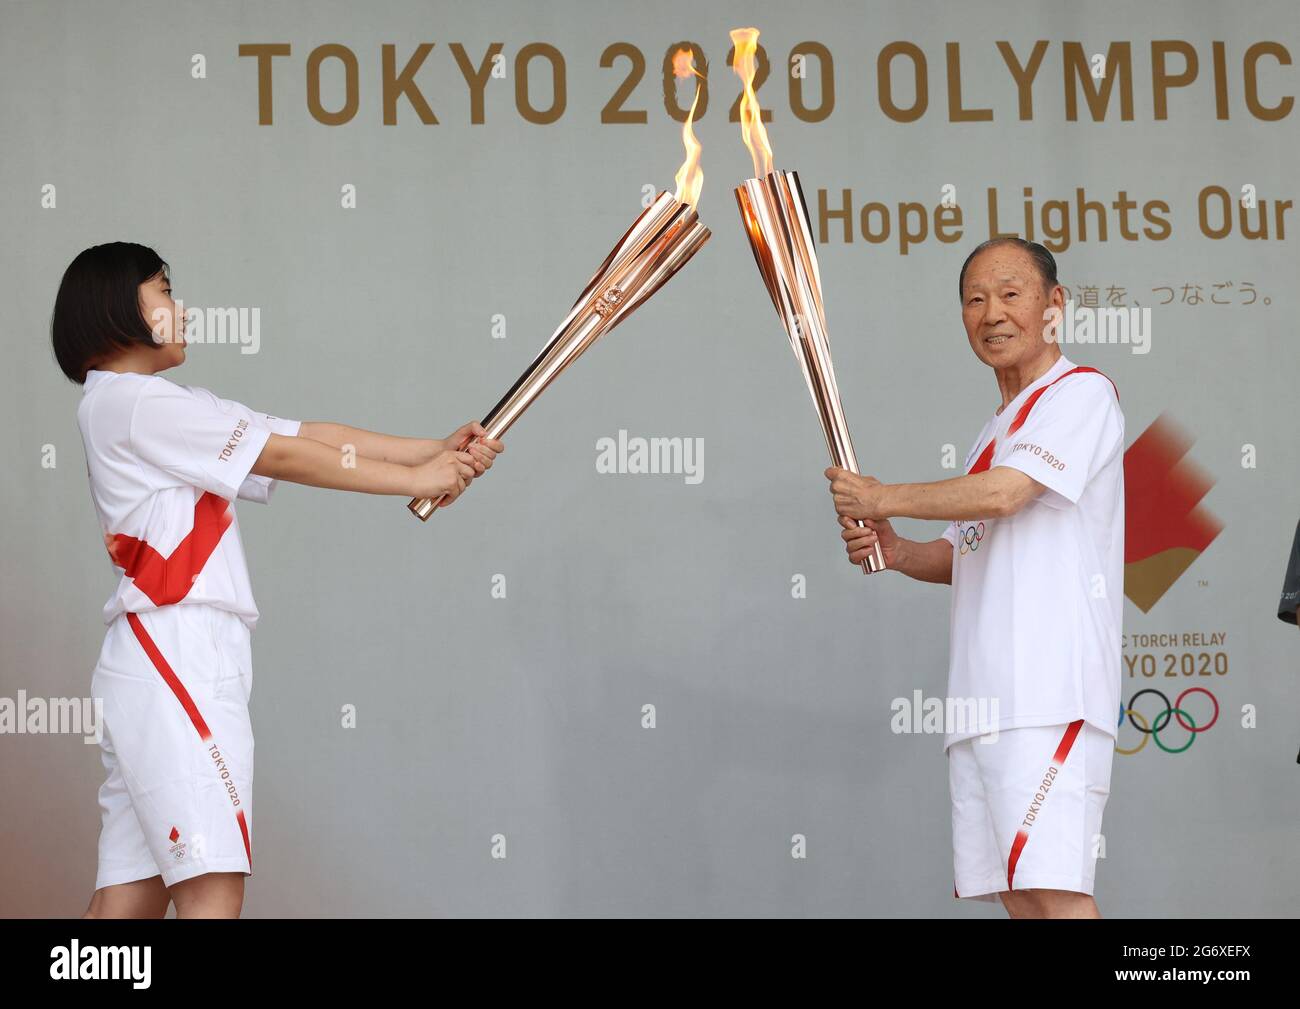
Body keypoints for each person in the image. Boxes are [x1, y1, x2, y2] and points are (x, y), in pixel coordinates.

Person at [53, 242, 503, 918]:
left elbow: (301, 432)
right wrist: (416, 480)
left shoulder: (152, 406)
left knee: (128, 901)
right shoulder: (137, 404)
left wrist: (433, 448)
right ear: (118, 306)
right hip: (179, 659)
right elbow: (286, 454)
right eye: (165, 290)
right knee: (212, 887)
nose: (181, 307)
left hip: (161, 665)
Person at [826, 238, 1125, 918]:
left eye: (1011, 293)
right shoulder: (992, 434)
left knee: (1058, 896)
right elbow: (968, 551)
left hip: (1047, 695)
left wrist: (882, 496)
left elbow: (1005, 496)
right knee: (1021, 899)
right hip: (983, 704)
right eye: (974, 298)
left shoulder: (1080, 395)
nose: (991, 312)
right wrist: (898, 548)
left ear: (1054, 306)